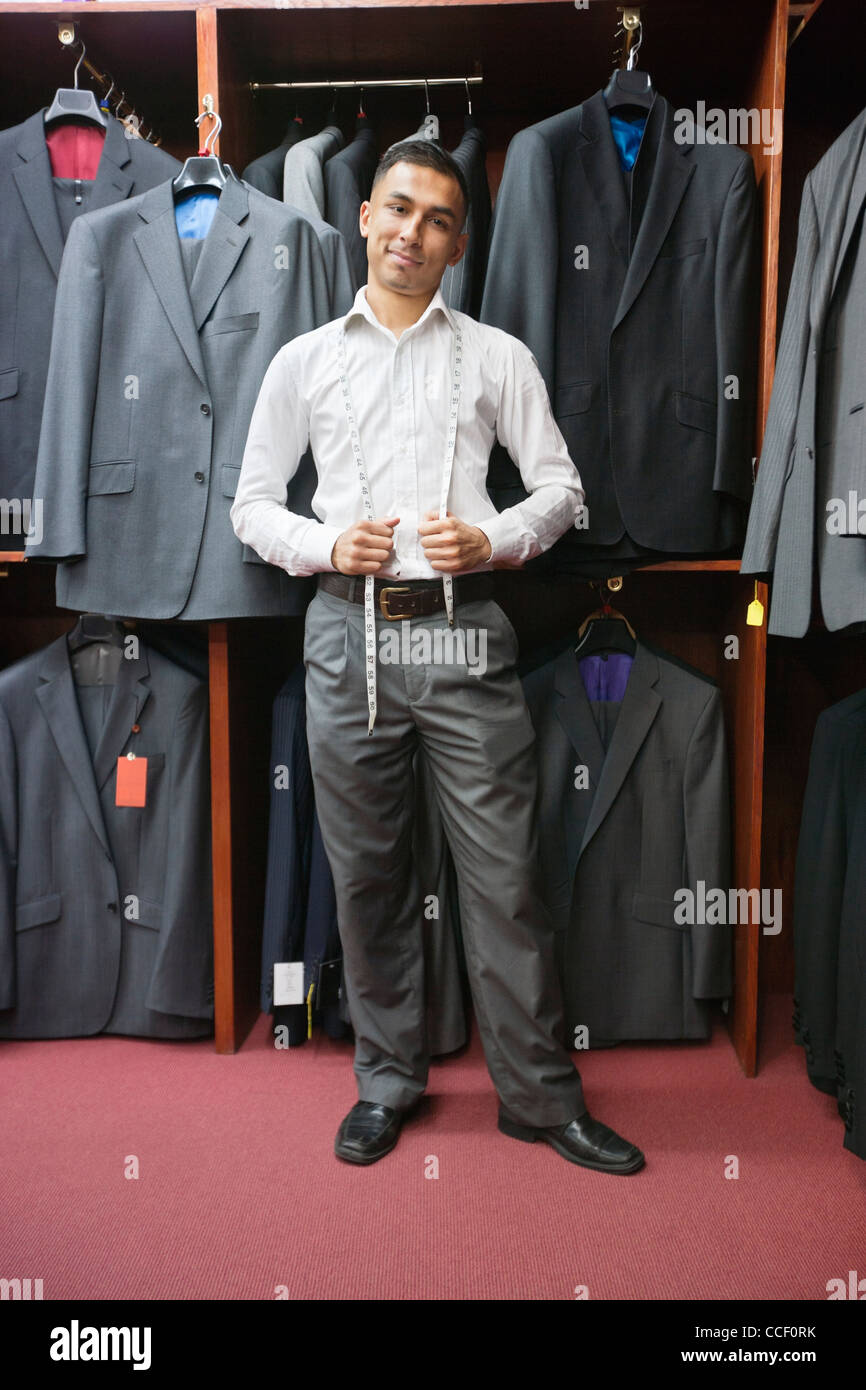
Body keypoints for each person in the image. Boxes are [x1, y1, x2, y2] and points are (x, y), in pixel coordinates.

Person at [231, 139, 645, 1175]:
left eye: (437, 220)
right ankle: (385, 1080)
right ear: (364, 217)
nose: (412, 232)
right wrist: (324, 546)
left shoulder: (497, 355)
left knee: (504, 877)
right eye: (398, 210)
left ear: (458, 244)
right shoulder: (303, 361)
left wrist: (494, 537)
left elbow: (560, 488)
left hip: (466, 625)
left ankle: (539, 1098)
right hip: (344, 631)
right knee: (366, 876)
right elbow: (249, 505)